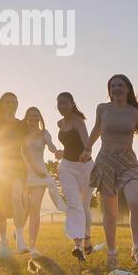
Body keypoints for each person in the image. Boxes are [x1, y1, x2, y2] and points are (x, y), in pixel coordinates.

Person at [87, 75, 138, 270]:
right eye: (113, 85)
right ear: (109, 90)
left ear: (128, 89)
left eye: (120, 85)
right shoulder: (102, 108)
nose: (116, 88)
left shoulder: (136, 114)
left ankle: (137, 248)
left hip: (128, 162)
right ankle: (112, 253)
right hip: (106, 162)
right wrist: (86, 149)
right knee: (111, 214)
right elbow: (96, 130)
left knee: (135, 201)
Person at [19, 107, 66, 256]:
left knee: (35, 209)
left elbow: (52, 148)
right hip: (24, 173)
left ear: (39, 118)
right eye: (31, 115)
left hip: (40, 176)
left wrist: (59, 152)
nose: (33, 118)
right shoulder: (22, 133)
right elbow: (22, 152)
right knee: (24, 207)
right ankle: (18, 235)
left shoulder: (44, 133)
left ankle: (32, 246)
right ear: (27, 118)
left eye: (36, 115)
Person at [0, 92, 28, 257]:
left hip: (18, 166)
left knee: (17, 198)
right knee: (1, 207)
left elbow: (28, 146)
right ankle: (3, 242)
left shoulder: (21, 124)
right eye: (7, 102)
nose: (10, 104)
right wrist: (4, 148)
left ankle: (20, 240)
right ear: (2, 105)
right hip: (2, 167)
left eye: (13, 102)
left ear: (17, 105)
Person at [54, 92, 95, 260]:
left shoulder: (78, 121)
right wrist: (61, 152)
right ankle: (77, 246)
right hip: (67, 167)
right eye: (58, 103)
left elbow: (87, 144)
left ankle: (87, 238)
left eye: (64, 103)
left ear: (72, 104)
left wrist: (86, 152)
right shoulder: (60, 123)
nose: (61, 106)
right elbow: (69, 145)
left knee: (84, 206)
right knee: (74, 204)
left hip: (85, 167)